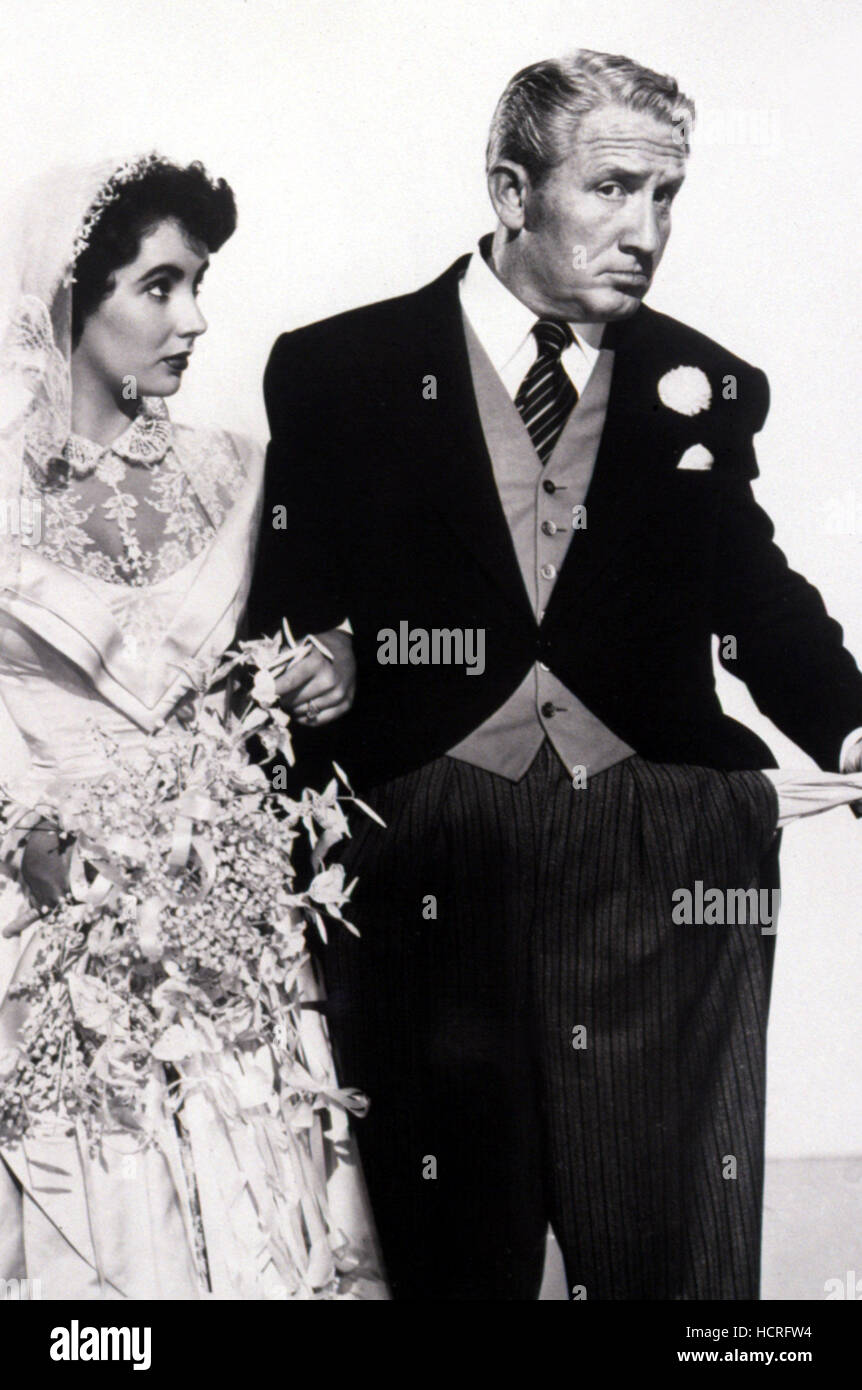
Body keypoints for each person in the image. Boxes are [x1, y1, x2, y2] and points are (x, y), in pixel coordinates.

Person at [247, 49, 862, 1300]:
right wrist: (315, 695)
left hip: (650, 853)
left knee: (665, 1255)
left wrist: (851, 726)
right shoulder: (338, 370)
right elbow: (291, 613)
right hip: (422, 858)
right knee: (451, 1260)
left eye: (667, 195)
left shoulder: (705, 383)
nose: (647, 231)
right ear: (511, 190)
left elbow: (747, 589)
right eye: (614, 188)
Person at [0, 154, 381, 1299]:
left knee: (268, 1200)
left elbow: (311, 630)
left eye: (200, 282)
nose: (196, 318)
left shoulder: (235, 470)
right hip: (50, 897)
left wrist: (337, 656)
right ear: (72, 297)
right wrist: (25, 835)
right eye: (159, 287)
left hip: (229, 912)